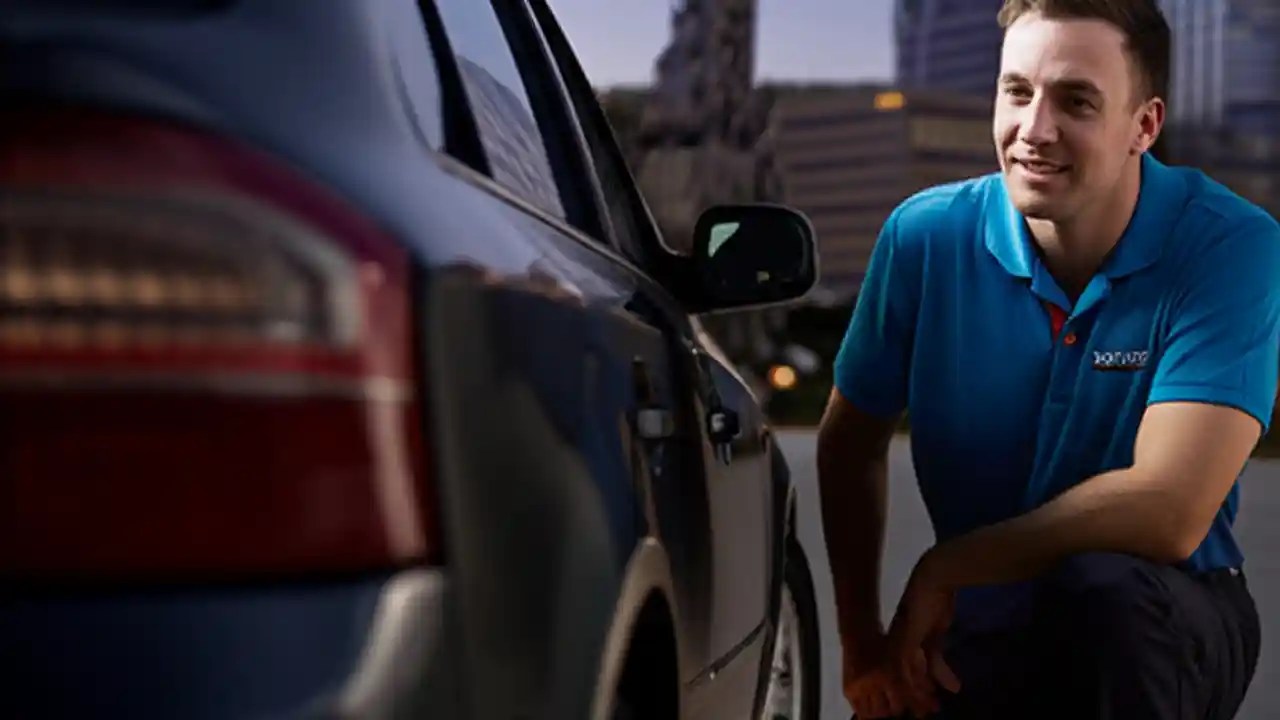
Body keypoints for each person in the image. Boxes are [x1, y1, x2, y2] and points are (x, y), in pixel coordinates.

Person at [817, 1, 1280, 718]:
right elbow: (850, 442)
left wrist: (947, 567)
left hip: (1163, 615)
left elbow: (1170, 508)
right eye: (1017, 92)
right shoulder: (925, 238)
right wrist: (862, 649)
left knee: (1105, 591)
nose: (1034, 130)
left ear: (1145, 126)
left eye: (1076, 100)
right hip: (974, 615)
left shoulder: (1230, 245)